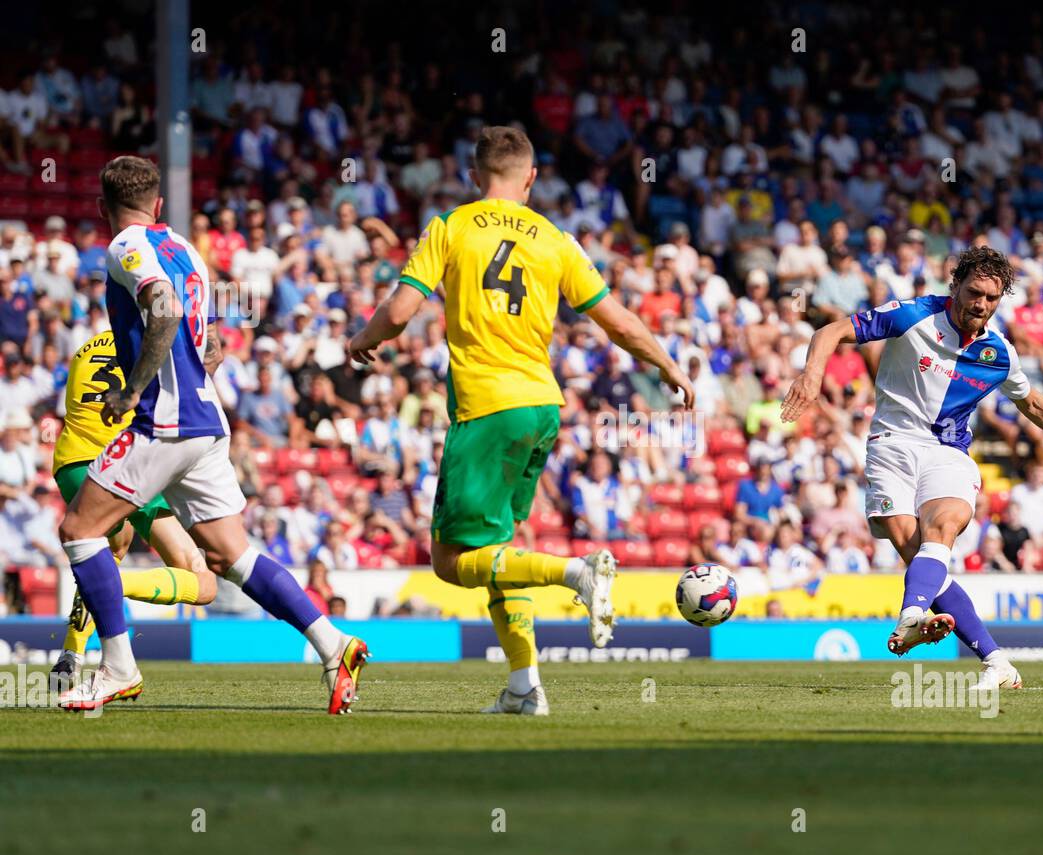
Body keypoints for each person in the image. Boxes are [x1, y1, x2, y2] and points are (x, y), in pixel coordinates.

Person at [347, 126, 693, 716]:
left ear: (473, 175)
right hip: (541, 407)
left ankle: (575, 573)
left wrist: (363, 337)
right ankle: (523, 687)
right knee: (497, 550)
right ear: (531, 178)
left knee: (451, 562)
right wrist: (668, 366)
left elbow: (401, 311)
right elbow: (620, 322)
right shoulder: (556, 240)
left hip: (485, 408)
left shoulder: (452, 226)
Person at [56, 156, 367, 713]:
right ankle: (333, 643)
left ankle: (117, 669)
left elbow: (166, 309)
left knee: (80, 530)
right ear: (158, 204)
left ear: (103, 208)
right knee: (230, 557)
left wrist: (134, 393)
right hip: (206, 420)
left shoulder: (125, 247)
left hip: (166, 424)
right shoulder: (186, 248)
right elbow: (213, 343)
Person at [781, 246, 1043, 690]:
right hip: (891, 442)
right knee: (914, 551)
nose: (981, 304)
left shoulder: (998, 353)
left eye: (991, 297)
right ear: (955, 286)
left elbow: (1034, 405)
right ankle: (996, 661)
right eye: (974, 293)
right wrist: (812, 374)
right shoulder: (912, 315)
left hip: (948, 452)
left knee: (942, 528)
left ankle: (910, 617)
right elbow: (832, 330)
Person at [47, 328, 225, 692]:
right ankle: (111, 593)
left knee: (109, 552)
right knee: (202, 581)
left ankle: (73, 652)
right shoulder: (156, 346)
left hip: (75, 464)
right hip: (129, 465)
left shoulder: (84, 348)